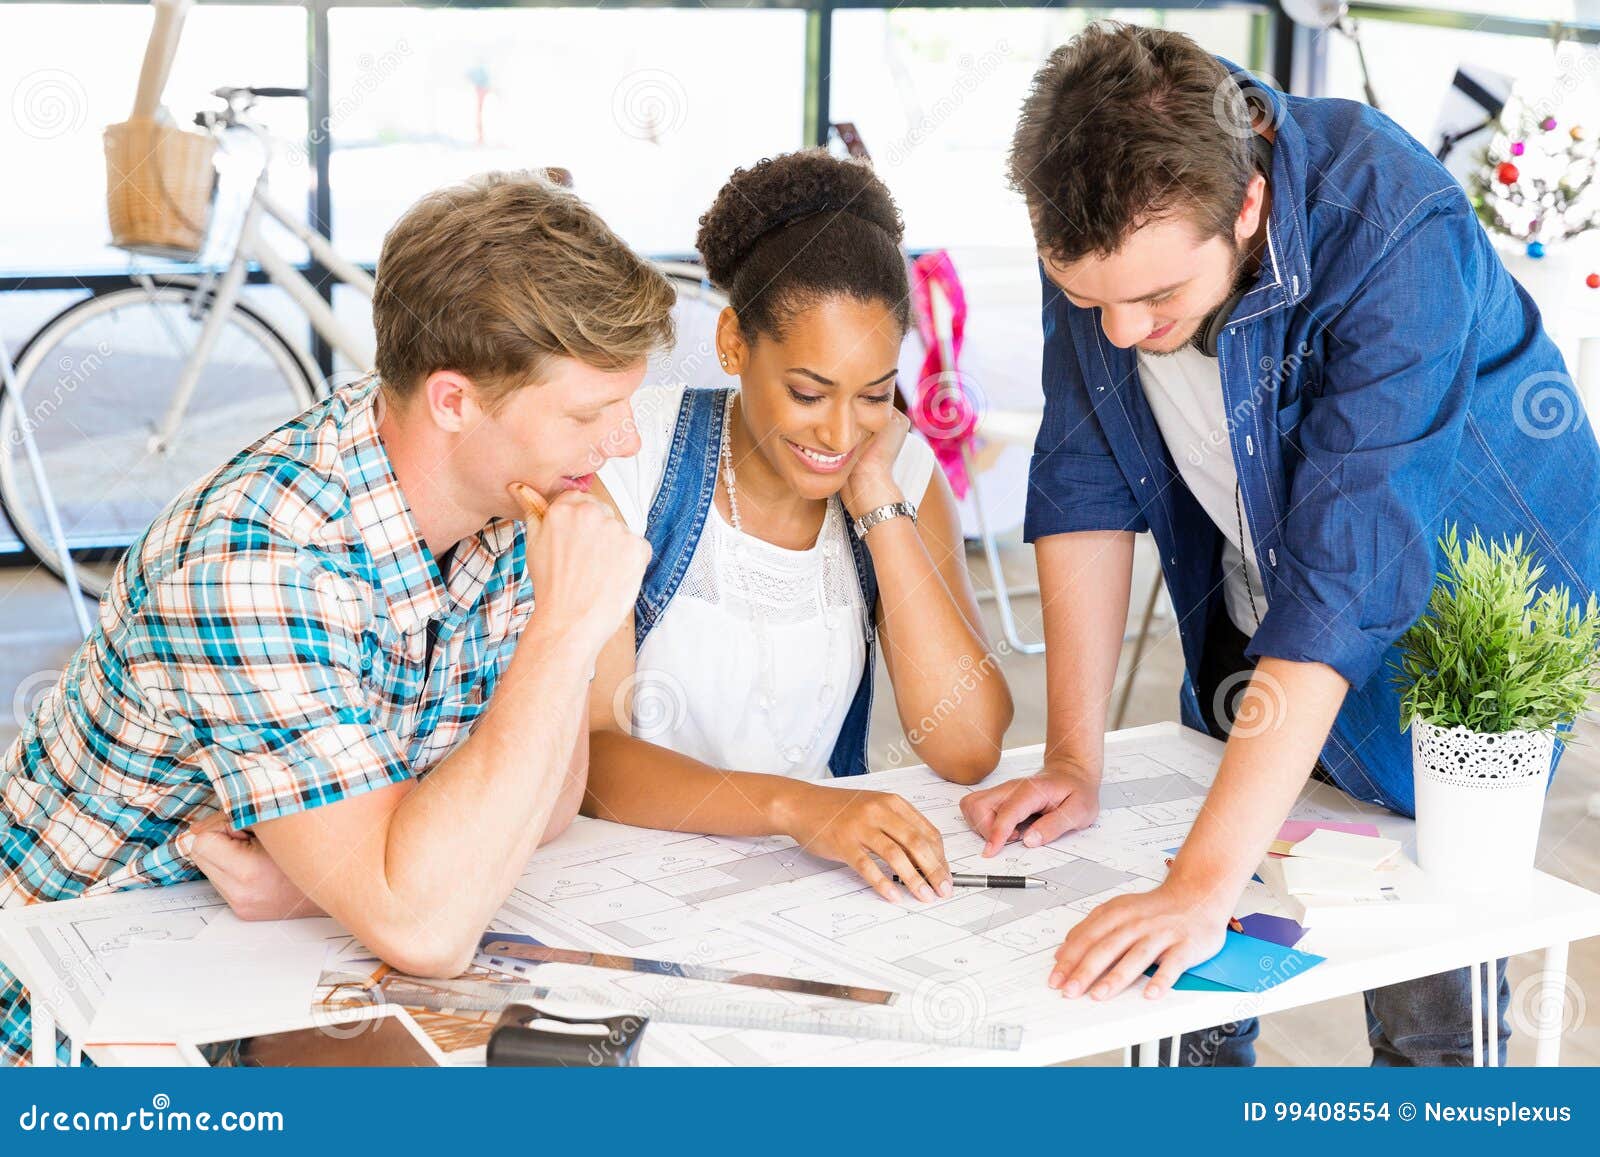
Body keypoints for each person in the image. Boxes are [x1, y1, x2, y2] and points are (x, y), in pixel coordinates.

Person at [961, 22, 1600, 1064]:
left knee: (1417, 961)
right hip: (1257, 585)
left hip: (1460, 616)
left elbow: (1348, 576)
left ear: (1246, 202)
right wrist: (1074, 760)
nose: (1118, 330)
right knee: (1192, 954)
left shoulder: (1394, 224)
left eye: (1157, 298)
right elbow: (1080, 475)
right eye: (1089, 300)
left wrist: (1199, 882)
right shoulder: (1099, 223)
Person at [0, 171, 674, 1065]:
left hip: (265, 964)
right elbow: (428, 924)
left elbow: (542, 808)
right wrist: (565, 634)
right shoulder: (256, 560)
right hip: (81, 1018)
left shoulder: (520, 504)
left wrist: (324, 883)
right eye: (591, 412)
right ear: (454, 401)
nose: (624, 442)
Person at [581, 150, 1014, 904]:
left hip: (809, 894)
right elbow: (591, 759)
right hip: (624, 882)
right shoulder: (632, 461)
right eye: (810, 392)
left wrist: (878, 499)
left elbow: (970, 746)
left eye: (874, 394)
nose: (842, 430)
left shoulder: (901, 475)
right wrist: (795, 806)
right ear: (733, 345)